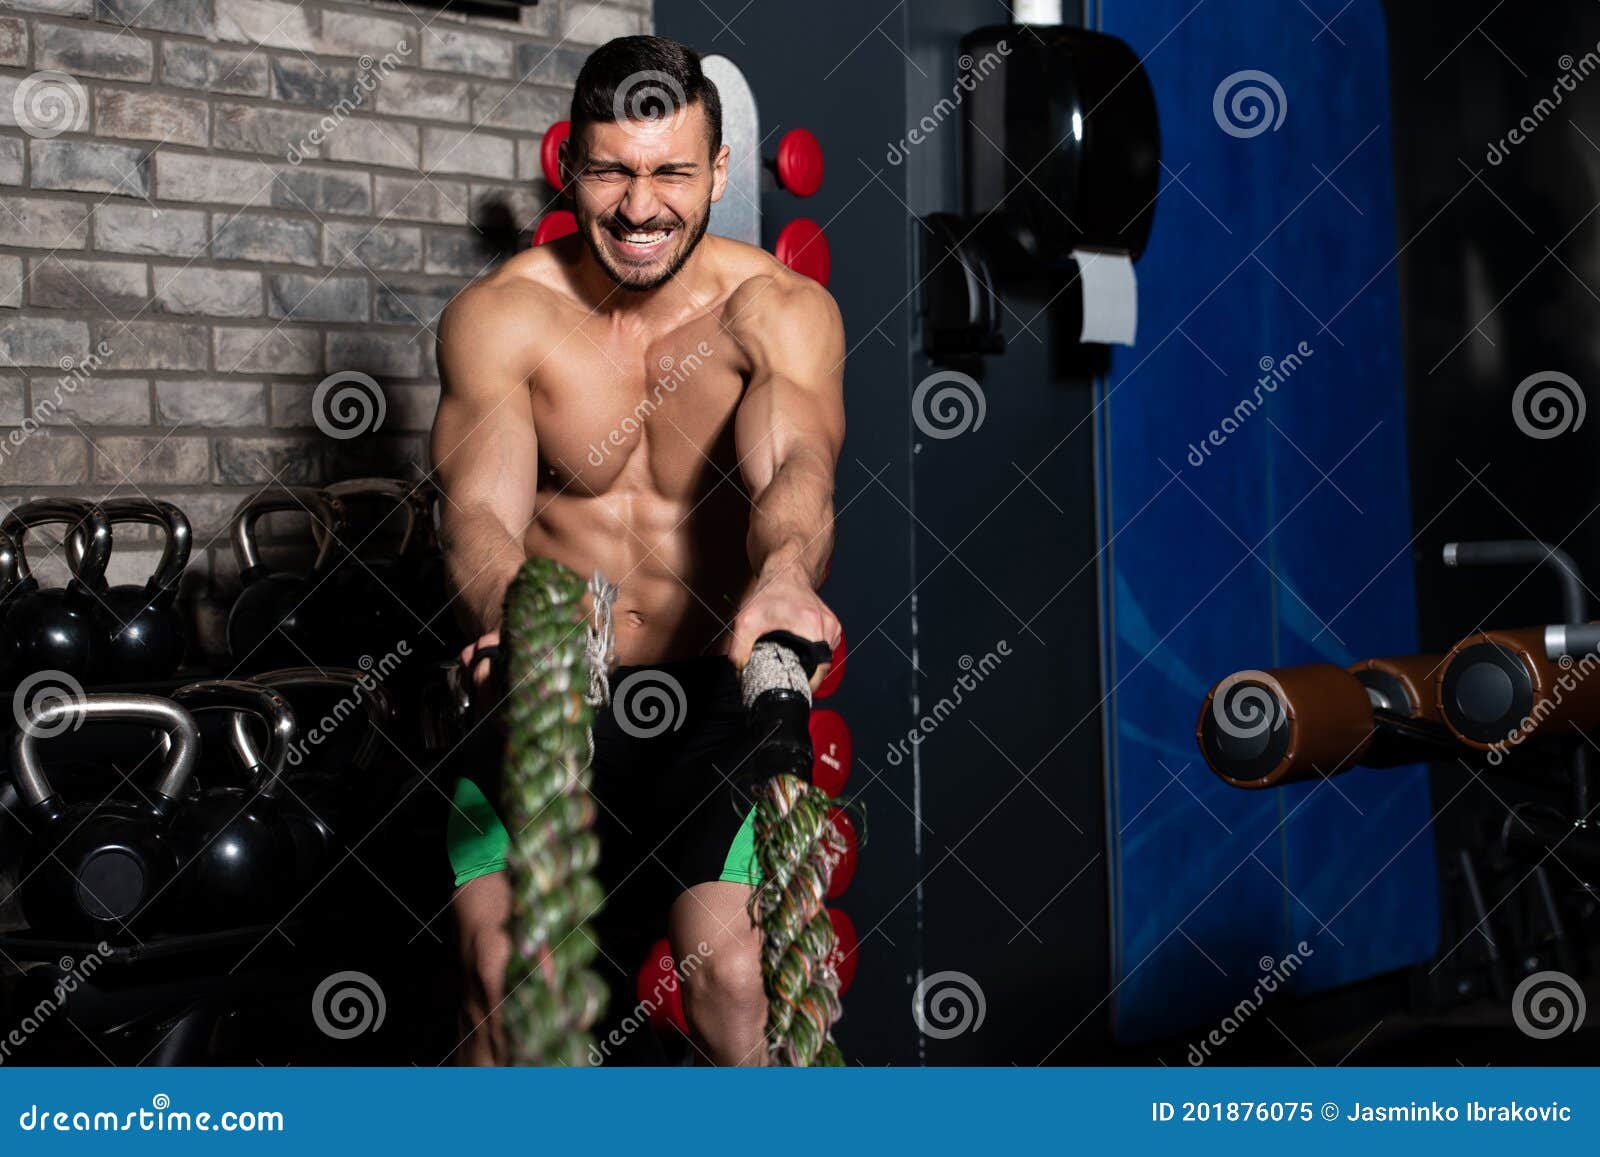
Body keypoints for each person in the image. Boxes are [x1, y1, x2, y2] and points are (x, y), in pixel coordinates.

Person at [429, 35, 845, 1066]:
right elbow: (477, 513)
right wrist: (512, 608)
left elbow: (795, 462)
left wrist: (788, 565)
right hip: (543, 698)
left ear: (717, 172)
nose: (639, 205)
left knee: (738, 989)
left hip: (704, 706)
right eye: (611, 169)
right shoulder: (503, 317)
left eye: (669, 171)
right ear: (569, 166)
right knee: (506, 992)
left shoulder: (775, 312)